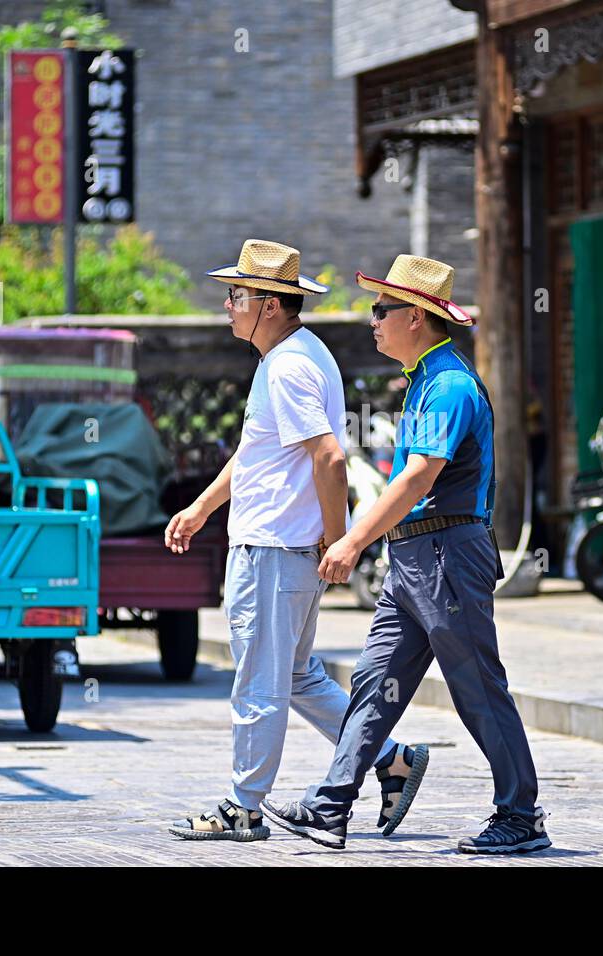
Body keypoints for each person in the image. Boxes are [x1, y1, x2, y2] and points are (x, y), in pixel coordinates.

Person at [262, 254, 550, 854]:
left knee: (475, 687)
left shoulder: (448, 385)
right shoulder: (424, 378)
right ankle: (330, 805)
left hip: (447, 555)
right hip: (415, 558)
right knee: (375, 682)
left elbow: (418, 477)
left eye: (381, 310)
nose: (373, 320)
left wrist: (350, 539)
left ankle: (521, 815)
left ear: (416, 316)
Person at [166, 240, 428, 842]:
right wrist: (203, 507)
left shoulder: (287, 367)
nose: (228, 306)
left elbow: (330, 458)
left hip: (276, 551)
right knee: (295, 678)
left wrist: (339, 543)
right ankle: (391, 759)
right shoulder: (290, 357)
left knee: (259, 682)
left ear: (271, 306)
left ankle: (244, 807)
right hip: (282, 548)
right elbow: (258, 455)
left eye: (237, 296)